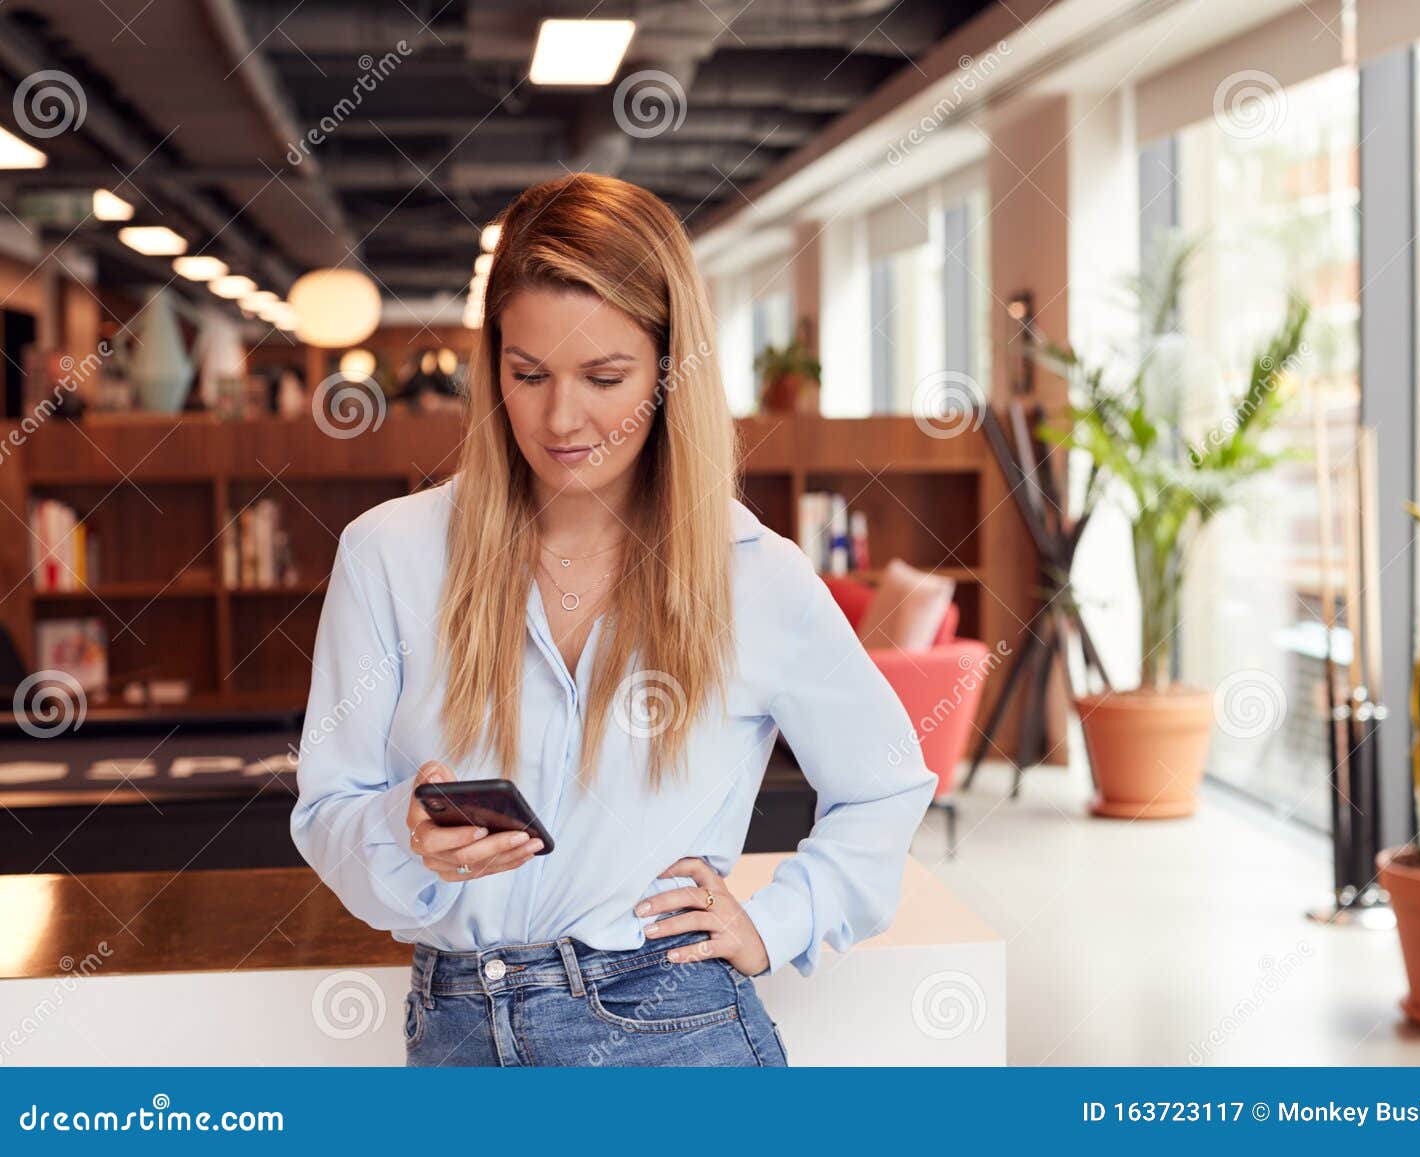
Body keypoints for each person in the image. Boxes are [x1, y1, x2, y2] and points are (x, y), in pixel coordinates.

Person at [290, 173, 937, 1067]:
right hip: (456, 1033)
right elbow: (326, 806)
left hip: (678, 1034)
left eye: (604, 376)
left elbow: (886, 782)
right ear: (492, 368)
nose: (561, 417)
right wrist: (408, 838)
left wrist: (782, 921)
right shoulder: (389, 555)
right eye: (528, 374)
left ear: (671, 371)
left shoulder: (755, 577)